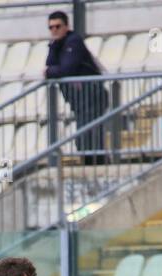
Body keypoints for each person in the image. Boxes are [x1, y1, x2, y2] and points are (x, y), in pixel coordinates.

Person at [44, 10, 107, 162]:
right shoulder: (57, 45)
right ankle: (91, 166)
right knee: (84, 138)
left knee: (89, 137)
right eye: (51, 28)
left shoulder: (74, 41)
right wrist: (53, 48)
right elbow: (49, 66)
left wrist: (50, 71)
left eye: (58, 26)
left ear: (66, 26)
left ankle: (97, 168)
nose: (54, 30)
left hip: (92, 95)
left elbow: (66, 69)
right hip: (79, 99)